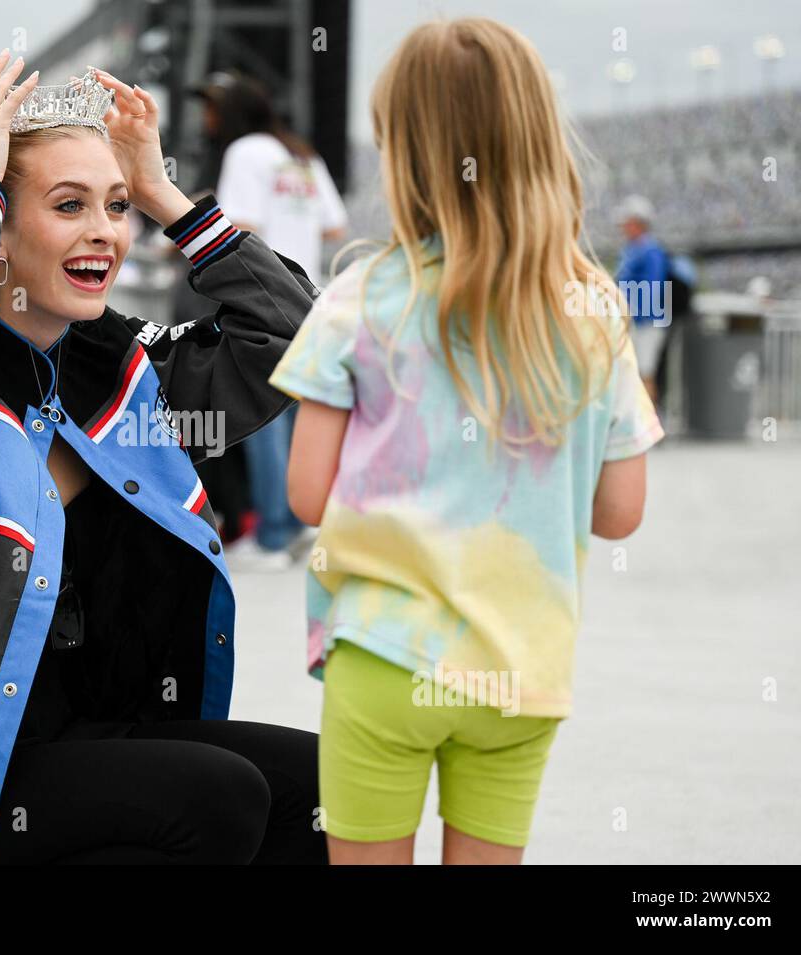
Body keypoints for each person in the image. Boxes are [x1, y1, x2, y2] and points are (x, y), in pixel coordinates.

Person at [0, 51, 327, 865]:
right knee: (218, 800)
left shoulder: (117, 367)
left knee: (323, 789)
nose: (104, 232)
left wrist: (164, 194)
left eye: (115, 207)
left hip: (87, 737)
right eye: (68, 205)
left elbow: (292, 340)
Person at [268, 18, 664, 864]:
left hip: (382, 657)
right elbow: (622, 510)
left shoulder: (359, 298)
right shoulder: (592, 307)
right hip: (522, 668)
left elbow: (306, 493)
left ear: (402, 152)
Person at [193, 71, 349, 570]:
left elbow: (241, 226)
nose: (205, 118)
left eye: (212, 107)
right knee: (303, 415)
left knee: (263, 417)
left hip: (265, 297)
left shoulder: (244, 154)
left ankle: (274, 536)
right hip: (311, 298)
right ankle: (302, 526)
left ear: (232, 111)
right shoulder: (300, 154)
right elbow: (335, 225)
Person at [615, 194, 672, 405]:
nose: (624, 227)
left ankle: (647, 427)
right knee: (630, 372)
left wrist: (633, 314)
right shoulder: (630, 250)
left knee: (645, 372)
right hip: (632, 321)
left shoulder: (651, 251)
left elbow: (652, 287)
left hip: (646, 322)